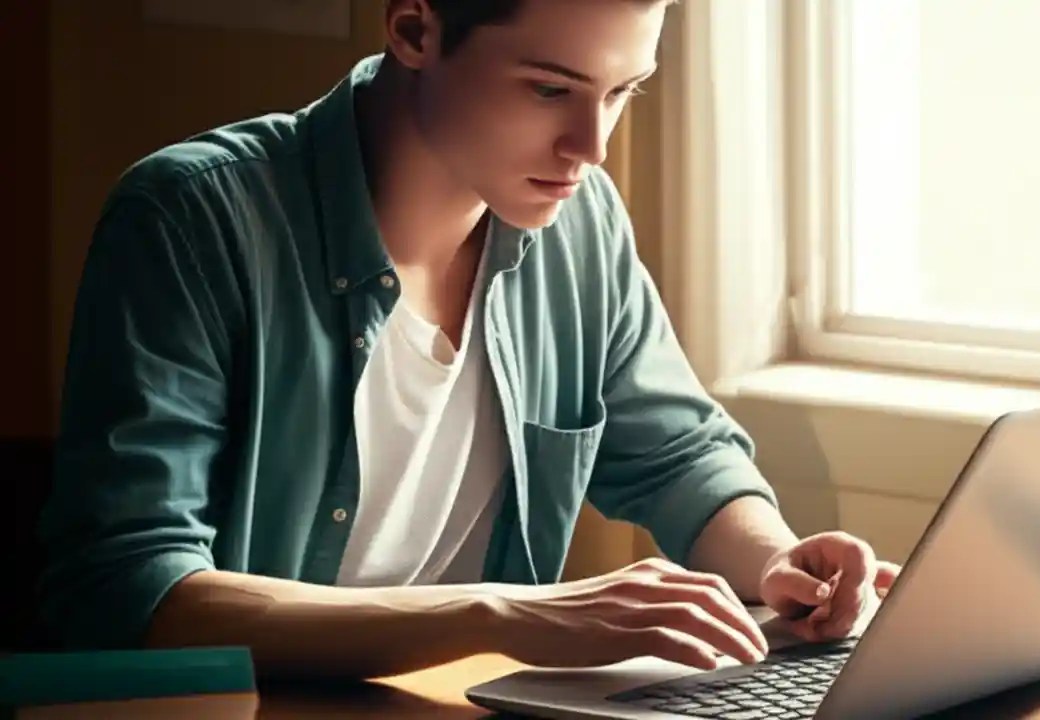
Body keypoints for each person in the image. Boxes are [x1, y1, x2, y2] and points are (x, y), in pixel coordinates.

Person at [39, 0, 898, 678]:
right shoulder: (195, 221)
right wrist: (500, 614)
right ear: (416, 28)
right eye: (550, 89)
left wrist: (780, 560)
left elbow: (678, 457)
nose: (591, 147)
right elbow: (132, 592)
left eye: (623, 90)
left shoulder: (579, 222)